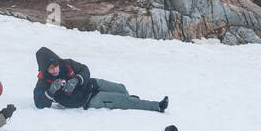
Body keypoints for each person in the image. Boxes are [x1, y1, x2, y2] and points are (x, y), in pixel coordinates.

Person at [31, 47, 168, 112]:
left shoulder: (66, 63)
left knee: (121, 88)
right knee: (125, 100)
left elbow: (85, 69)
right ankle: (157, 106)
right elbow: (39, 104)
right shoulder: (43, 82)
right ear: (44, 70)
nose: (55, 70)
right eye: (51, 69)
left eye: (55, 66)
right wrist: (51, 91)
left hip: (92, 84)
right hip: (88, 99)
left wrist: (77, 80)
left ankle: (130, 101)